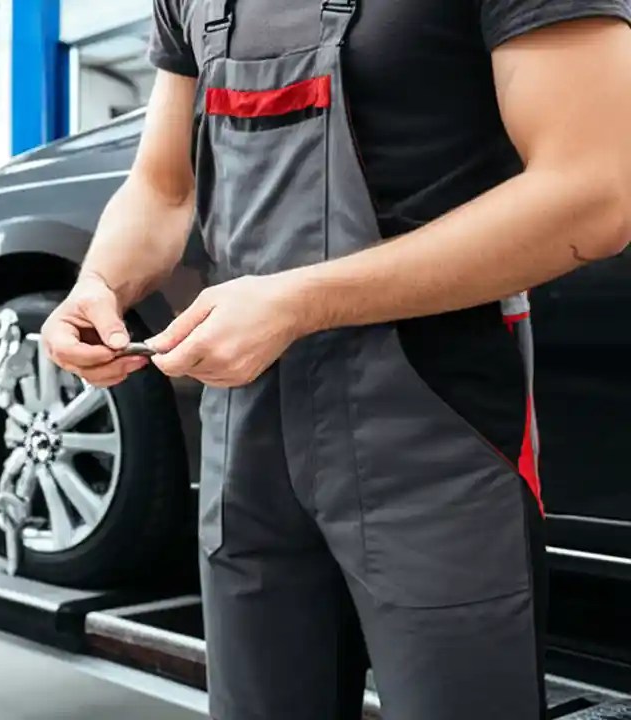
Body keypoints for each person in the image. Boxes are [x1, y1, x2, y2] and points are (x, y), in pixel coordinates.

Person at [40, 1, 631, 718]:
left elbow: (595, 193)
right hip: (246, 428)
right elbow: (164, 186)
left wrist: (299, 303)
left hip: (434, 420)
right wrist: (99, 283)